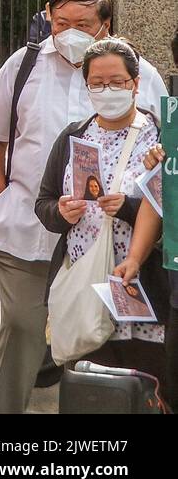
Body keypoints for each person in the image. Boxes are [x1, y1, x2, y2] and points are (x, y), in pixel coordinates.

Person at [0, 0, 166, 413]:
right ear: (48, 16)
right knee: (24, 327)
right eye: (60, 22)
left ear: (105, 25)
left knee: (101, 335)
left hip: (110, 243)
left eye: (83, 23)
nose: (69, 32)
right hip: (26, 227)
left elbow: (161, 144)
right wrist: (0, 196)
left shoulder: (140, 73)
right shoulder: (23, 65)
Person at [34, 37, 167, 395]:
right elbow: (44, 203)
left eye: (117, 82)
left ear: (136, 84)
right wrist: (61, 212)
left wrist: (126, 206)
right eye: (97, 83)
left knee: (142, 386)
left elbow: (166, 211)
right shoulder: (73, 136)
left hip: (139, 285)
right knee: (92, 388)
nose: (107, 90)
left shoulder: (159, 138)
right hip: (85, 285)